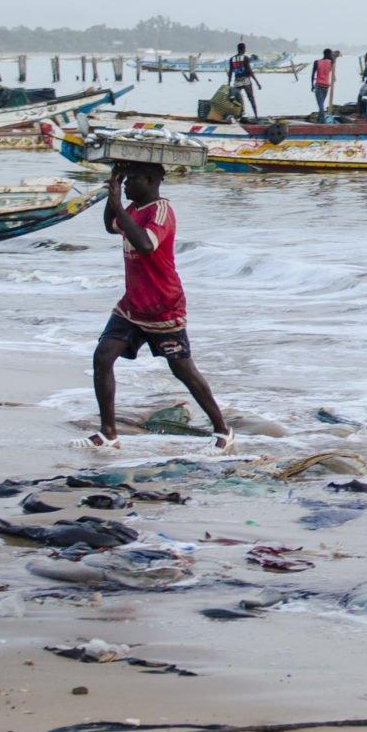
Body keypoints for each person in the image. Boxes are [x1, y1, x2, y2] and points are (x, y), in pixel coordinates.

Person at [84, 161, 231, 451]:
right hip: (132, 304)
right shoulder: (134, 210)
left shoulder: (161, 210)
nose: (127, 185)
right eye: (124, 179)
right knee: (103, 357)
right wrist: (114, 197)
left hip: (163, 306)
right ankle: (108, 433)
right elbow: (111, 227)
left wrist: (117, 204)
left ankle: (223, 430)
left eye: (132, 179)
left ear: (151, 180)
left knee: (183, 370)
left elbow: (146, 244)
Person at [226, 43, 260, 118]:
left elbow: (231, 72)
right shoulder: (246, 58)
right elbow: (250, 71)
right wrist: (257, 82)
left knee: (235, 99)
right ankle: (256, 116)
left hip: (237, 81)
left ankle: (238, 115)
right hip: (246, 80)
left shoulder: (232, 59)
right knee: (251, 98)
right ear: (244, 49)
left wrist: (229, 83)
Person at [310, 49, 336, 122]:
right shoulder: (331, 62)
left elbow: (312, 74)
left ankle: (321, 119)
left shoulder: (317, 62)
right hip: (326, 85)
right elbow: (334, 58)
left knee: (320, 104)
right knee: (321, 103)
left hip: (319, 84)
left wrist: (312, 85)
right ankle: (320, 119)